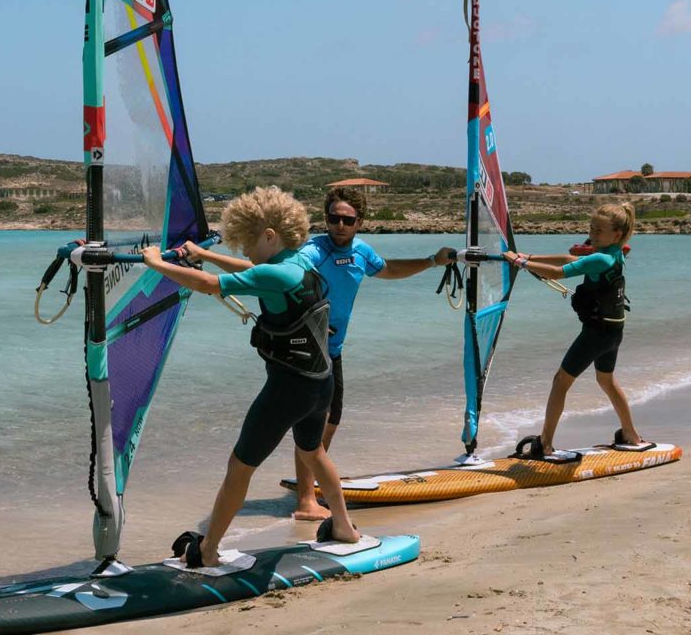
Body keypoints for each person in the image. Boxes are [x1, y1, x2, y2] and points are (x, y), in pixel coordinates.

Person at [188, 186, 455, 519]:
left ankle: (312, 492)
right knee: (311, 431)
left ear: (360, 222)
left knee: (328, 425)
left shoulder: (362, 253)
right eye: (333, 218)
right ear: (325, 219)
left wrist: (432, 261)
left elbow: (388, 270)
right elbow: (261, 273)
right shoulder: (313, 251)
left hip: (333, 353)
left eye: (348, 219)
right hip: (302, 357)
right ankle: (305, 500)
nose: (340, 225)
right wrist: (209, 257)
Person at [141, 186, 359, 568]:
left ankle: (209, 550)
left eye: (247, 243)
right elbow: (255, 272)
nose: (243, 252)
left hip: (288, 390)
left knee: (239, 467)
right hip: (320, 384)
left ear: (270, 236)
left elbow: (210, 286)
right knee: (313, 452)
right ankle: (343, 527)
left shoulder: (278, 275)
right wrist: (204, 255)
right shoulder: (302, 264)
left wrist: (156, 263)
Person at [503, 202, 648, 463]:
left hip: (596, 334)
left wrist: (522, 264)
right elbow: (571, 259)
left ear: (616, 234)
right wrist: (529, 257)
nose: (592, 234)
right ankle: (631, 435)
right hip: (613, 332)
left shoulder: (601, 258)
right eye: (591, 228)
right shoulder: (615, 254)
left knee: (561, 381)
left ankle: (545, 444)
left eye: (599, 230)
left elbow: (560, 271)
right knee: (606, 381)